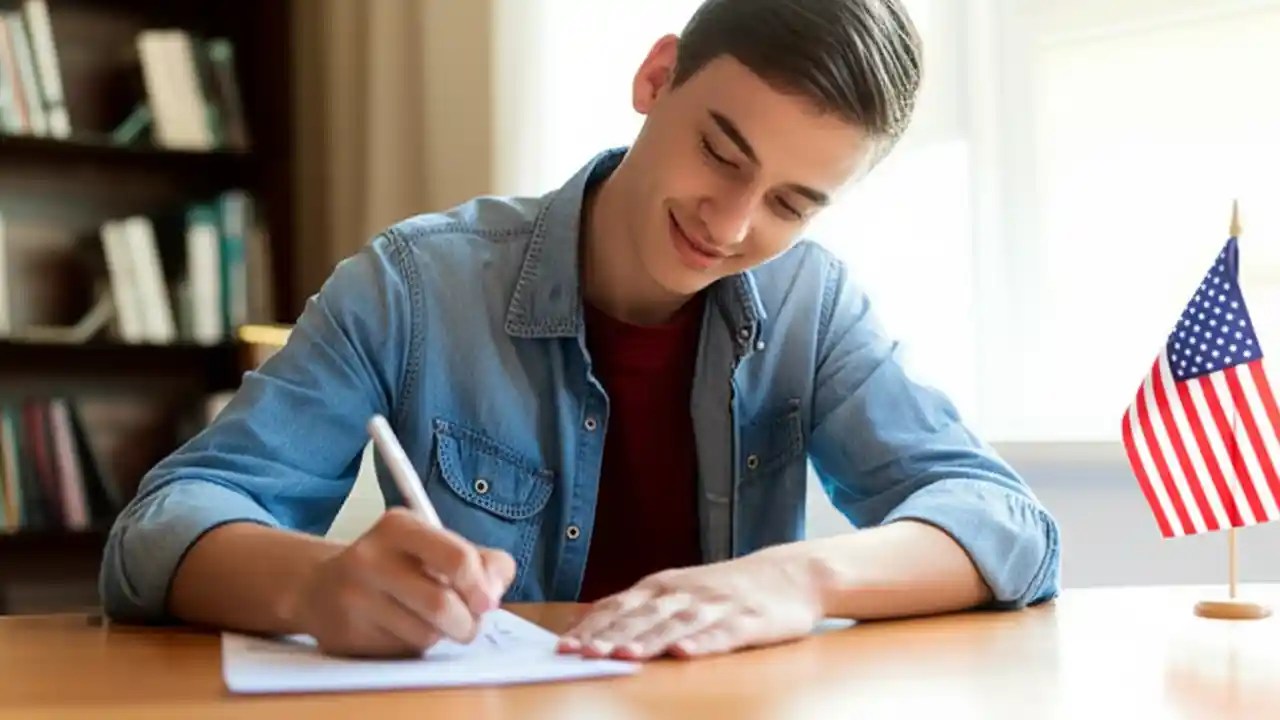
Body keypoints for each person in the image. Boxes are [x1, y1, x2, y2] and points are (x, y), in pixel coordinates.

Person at [100, 0, 1060, 662]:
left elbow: (1006, 525)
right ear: (657, 76)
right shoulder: (414, 286)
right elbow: (159, 532)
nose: (730, 223)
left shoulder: (812, 305)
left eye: (790, 203)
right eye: (721, 152)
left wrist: (800, 580)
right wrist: (313, 586)